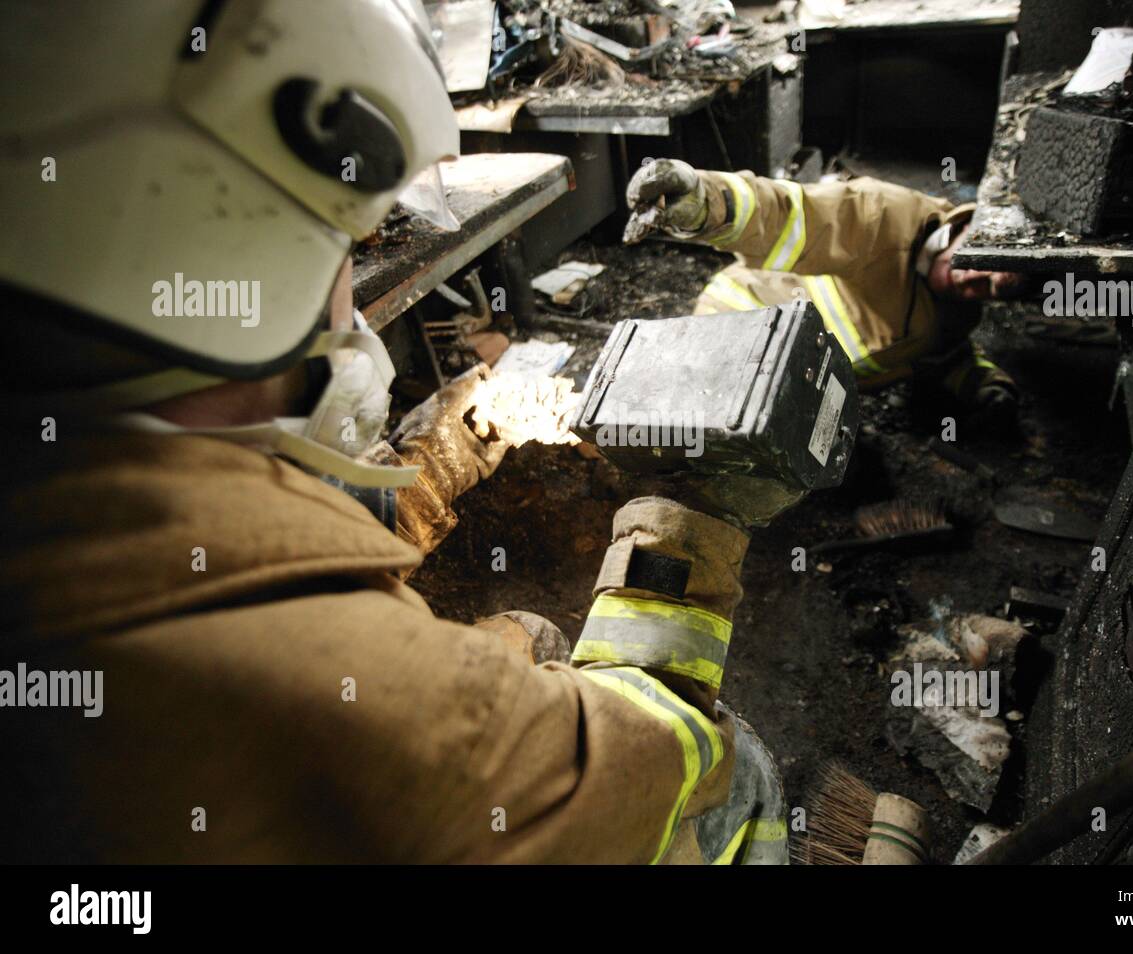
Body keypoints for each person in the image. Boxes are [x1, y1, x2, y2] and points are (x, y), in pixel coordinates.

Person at [0, 0, 785, 864]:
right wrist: (687, 524)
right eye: (348, 243)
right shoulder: (354, 701)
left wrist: (475, 421)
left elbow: (284, 523)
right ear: (242, 253)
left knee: (529, 633)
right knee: (736, 779)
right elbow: (649, 768)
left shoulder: (79, 483)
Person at [625, 158, 1025, 419]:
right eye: (979, 263)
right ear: (975, 226)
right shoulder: (884, 216)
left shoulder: (959, 310)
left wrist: (980, 381)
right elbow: (790, 216)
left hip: (802, 383)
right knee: (691, 425)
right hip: (741, 321)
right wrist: (708, 202)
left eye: (991, 288)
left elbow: (942, 353)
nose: (973, 281)